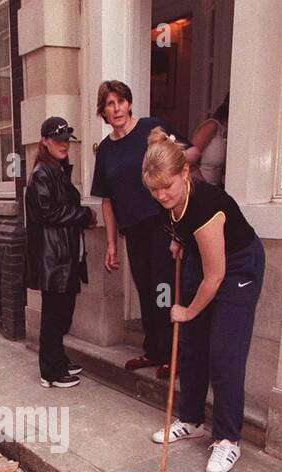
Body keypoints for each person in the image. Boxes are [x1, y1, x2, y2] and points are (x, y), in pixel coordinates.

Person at [141, 128, 264, 472]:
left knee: (224, 351)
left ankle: (227, 440)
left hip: (238, 265)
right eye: (155, 189)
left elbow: (215, 277)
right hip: (203, 256)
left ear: (184, 173)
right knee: (192, 346)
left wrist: (188, 311)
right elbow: (179, 226)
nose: (162, 195)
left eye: (168, 186)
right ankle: (192, 419)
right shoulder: (166, 200)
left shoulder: (206, 206)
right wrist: (179, 241)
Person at [90, 79, 183, 378]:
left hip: (161, 223)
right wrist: (112, 244)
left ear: (129, 103)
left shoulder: (150, 129)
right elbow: (107, 200)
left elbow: (184, 159)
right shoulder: (105, 150)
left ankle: (174, 353)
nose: (116, 108)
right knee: (145, 289)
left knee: (163, 287)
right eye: (109, 103)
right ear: (103, 111)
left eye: (121, 101)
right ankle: (154, 349)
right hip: (133, 230)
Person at [25, 117, 95, 388]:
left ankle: (57, 359)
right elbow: (48, 212)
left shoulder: (57, 169)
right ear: (45, 141)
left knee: (62, 312)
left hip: (62, 255)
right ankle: (50, 372)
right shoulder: (44, 172)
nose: (63, 144)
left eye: (66, 139)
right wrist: (84, 214)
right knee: (55, 314)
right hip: (53, 257)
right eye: (57, 139)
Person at [185, 95, 228, 186]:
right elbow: (188, 158)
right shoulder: (211, 126)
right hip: (200, 186)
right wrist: (204, 187)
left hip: (216, 187)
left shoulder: (228, 132)